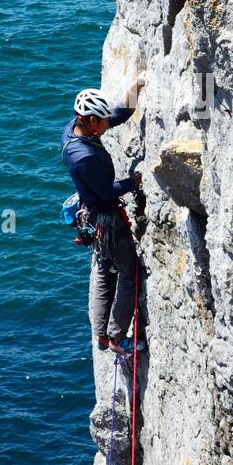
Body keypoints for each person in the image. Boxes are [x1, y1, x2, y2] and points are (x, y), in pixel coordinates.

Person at [61, 78, 146, 354]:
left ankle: (101, 336)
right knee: (128, 271)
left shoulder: (75, 131)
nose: (108, 124)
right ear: (91, 120)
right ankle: (117, 338)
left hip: (93, 218)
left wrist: (137, 88)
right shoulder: (83, 156)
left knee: (105, 273)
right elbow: (108, 192)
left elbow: (117, 116)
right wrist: (133, 182)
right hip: (106, 220)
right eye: (103, 120)